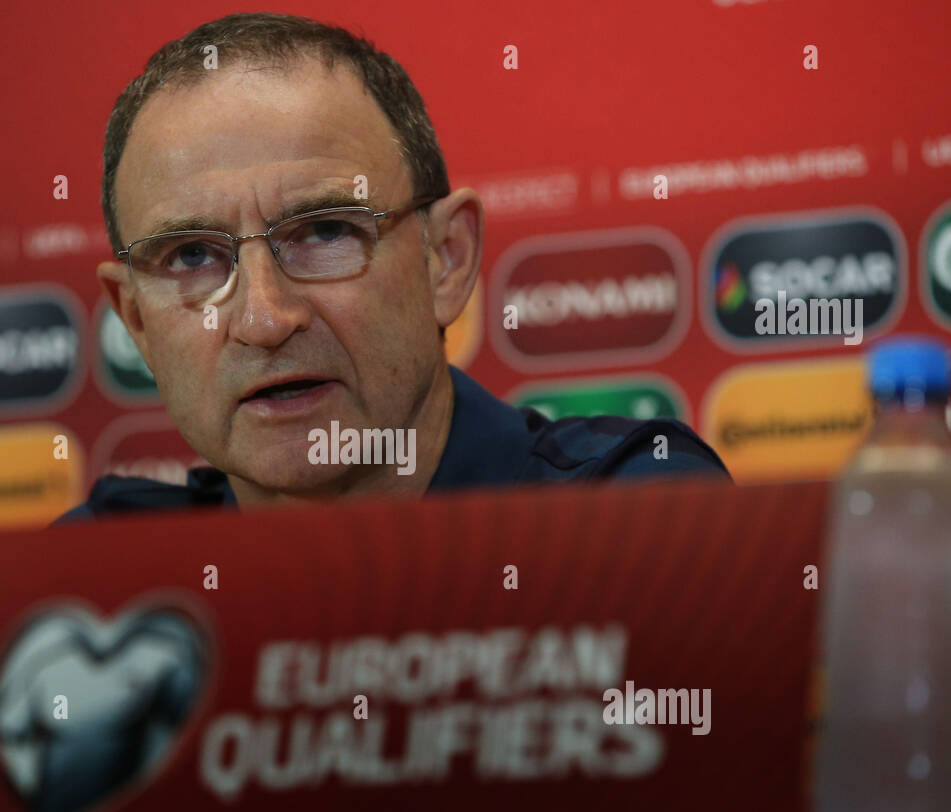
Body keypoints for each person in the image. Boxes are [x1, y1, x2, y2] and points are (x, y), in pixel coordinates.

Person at [60, 12, 727, 523]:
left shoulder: (636, 517)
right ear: (138, 321)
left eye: (324, 231)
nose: (263, 318)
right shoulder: (96, 582)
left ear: (446, 259)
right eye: (192, 256)